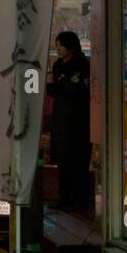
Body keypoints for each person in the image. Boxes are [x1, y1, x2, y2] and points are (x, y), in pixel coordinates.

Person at [47, 31, 92, 213]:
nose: (57, 49)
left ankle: (80, 200)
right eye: (56, 45)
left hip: (78, 119)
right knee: (63, 160)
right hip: (60, 118)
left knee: (78, 161)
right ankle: (64, 198)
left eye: (60, 45)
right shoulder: (57, 65)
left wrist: (61, 84)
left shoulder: (82, 65)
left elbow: (78, 90)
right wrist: (51, 83)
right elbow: (54, 92)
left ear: (70, 46)